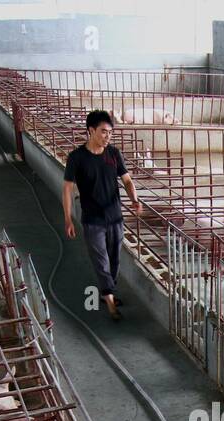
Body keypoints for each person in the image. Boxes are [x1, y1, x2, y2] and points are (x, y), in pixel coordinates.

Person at [62, 110, 141, 319]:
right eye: (104, 132)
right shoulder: (77, 158)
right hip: (93, 220)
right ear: (91, 131)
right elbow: (67, 189)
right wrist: (68, 218)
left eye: (110, 133)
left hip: (115, 217)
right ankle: (110, 304)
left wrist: (134, 199)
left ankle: (108, 292)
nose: (108, 136)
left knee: (114, 260)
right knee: (101, 261)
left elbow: (127, 180)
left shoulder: (114, 154)